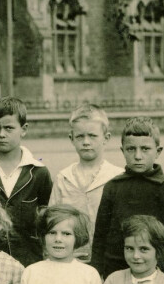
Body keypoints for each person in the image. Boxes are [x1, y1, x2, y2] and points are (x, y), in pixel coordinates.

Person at [91, 116, 164, 280]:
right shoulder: (113, 187)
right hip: (116, 271)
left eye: (145, 149)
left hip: (155, 273)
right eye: (131, 149)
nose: (138, 156)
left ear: (158, 151)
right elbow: (100, 235)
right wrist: (97, 272)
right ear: (123, 151)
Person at [0, 97, 53, 267]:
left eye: (9, 128)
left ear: (23, 129)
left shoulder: (39, 173)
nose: (2, 134)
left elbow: (47, 221)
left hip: (29, 260)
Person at [48, 104, 122, 262]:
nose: (86, 142)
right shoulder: (64, 178)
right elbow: (52, 224)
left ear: (106, 138)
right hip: (71, 261)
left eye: (92, 136)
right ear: (71, 138)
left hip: (109, 261)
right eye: (80, 136)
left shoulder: (117, 177)